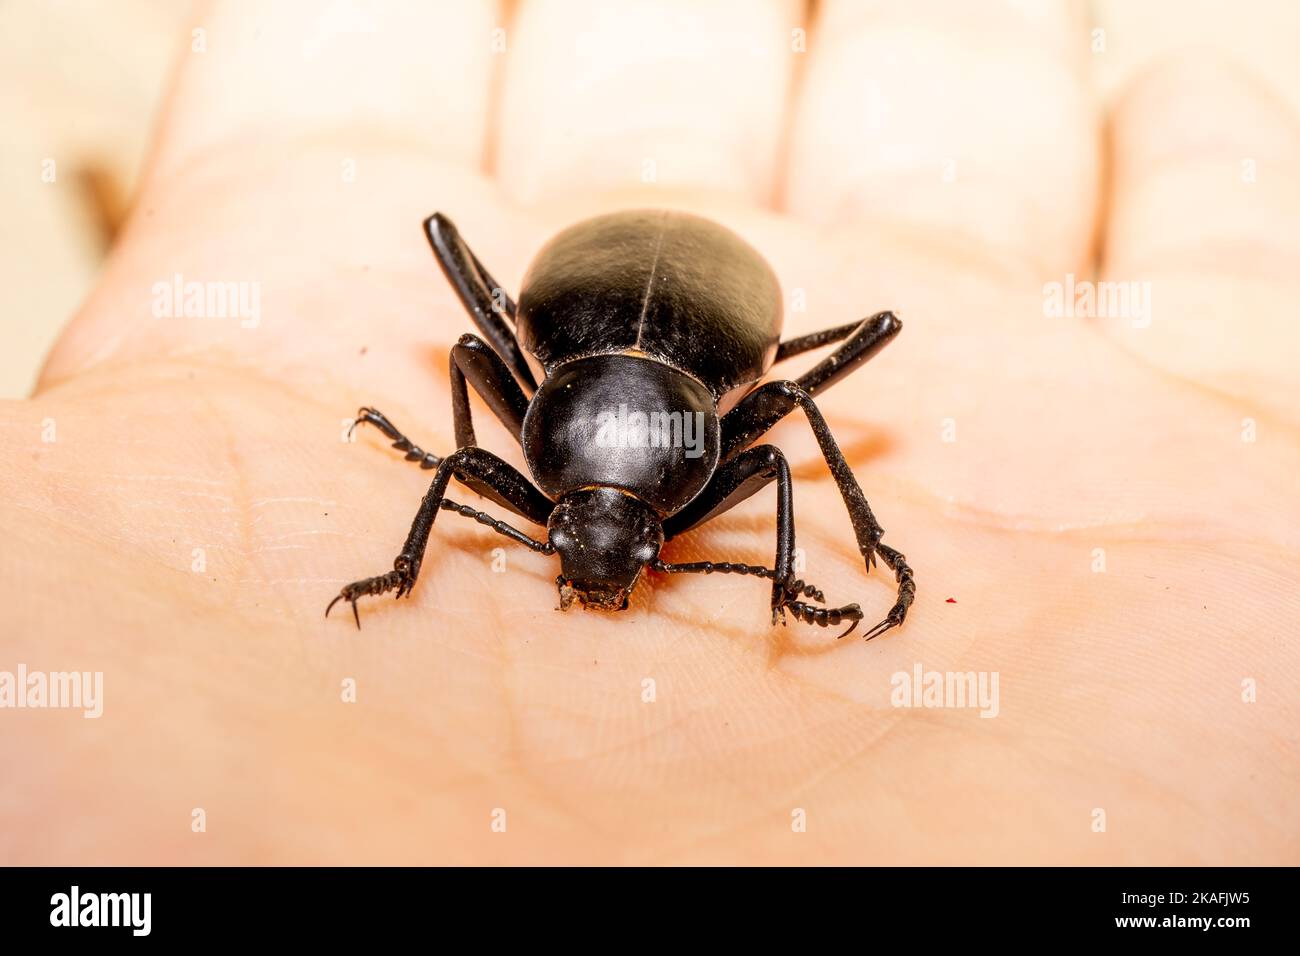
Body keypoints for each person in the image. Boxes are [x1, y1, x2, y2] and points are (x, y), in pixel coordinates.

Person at [3, 0, 1296, 864]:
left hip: (704, 321)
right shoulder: (592, 449)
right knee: (506, 386)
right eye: (588, 524)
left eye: (582, 528)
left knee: (775, 431)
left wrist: (813, 558)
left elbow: (741, 447)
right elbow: (479, 401)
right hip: (621, 311)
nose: (598, 551)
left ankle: (844, 550)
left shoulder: (700, 444)